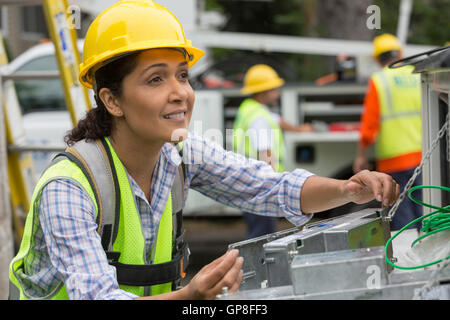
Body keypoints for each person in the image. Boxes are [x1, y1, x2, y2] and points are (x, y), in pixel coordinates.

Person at [10, 1, 399, 300]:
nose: (180, 92)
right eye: (155, 79)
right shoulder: (70, 188)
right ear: (112, 101)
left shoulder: (179, 154)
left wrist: (348, 190)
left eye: (182, 75)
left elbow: (267, 187)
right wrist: (191, 297)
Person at [233, 64, 314, 239]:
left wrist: (298, 129)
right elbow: (265, 153)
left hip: (250, 185)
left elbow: (276, 120)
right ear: (262, 92)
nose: (278, 93)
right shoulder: (259, 118)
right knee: (263, 238)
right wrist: (274, 186)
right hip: (262, 188)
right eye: (274, 89)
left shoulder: (250, 109)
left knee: (259, 234)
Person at [353, 33, 422, 231]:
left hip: (394, 160)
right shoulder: (417, 74)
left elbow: (369, 125)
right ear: (400, 53)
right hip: (423, 155)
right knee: (427, 210)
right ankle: (432, 260)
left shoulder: (379, 80)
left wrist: (361, 156)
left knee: (402, 214)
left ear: (377, 58)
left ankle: (408, 261)